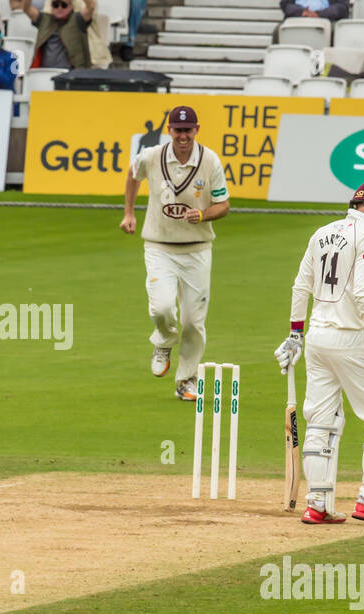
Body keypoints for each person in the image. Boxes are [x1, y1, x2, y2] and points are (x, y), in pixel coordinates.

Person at [275, 181, 364, 525]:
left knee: (321, 420)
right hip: (349, 337)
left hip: (317, 338)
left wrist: (294, 334)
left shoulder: (321, 232)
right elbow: (363, 291)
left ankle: (317, 504)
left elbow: (300, 285)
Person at [119, 106, 231, 401]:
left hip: (197, 250)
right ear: (170, 130)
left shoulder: (209, 161)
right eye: (178, 130)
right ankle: (164, 341)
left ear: (197, 130)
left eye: (188, 130)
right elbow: (133, 174)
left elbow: (224, 205)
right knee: (162, 308)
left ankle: (186, 380)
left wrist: (203, 215)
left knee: (194, 321)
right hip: (159, 246)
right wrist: (129, 213)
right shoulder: (153, 156)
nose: (183, 136)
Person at [22, 0, 94, 70]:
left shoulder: (78, 19)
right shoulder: (44, 19)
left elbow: (91, 6)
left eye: (64, 5)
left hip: (71, 75)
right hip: (44, 73)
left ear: (71, 6)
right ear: (51, 7)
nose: (59, 8)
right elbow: (26, 8)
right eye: (55, 5)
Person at [279, 0, 349, 20]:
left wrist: (319, 14)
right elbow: (285, 5)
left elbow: (342, 7)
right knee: (277, 31)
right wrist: (302, 12)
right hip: (298, 17)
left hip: (327, 19)